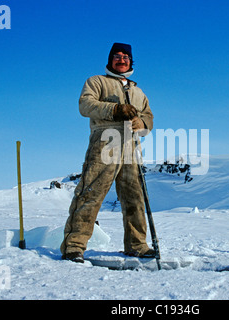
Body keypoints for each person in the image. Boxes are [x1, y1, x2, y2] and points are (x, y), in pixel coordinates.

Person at [61, 43, 155, 263]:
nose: (121, 60)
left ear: (131, 62)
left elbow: (148, 120)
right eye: (117, 56)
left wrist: (141, 122)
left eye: (126, 57)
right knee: (91, 193)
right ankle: (74, 246)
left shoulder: (138, 92)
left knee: (135, 198)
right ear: (110, 60)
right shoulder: (96, 82)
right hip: (105, 141)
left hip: (131, 146)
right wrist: (114, 109)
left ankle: (137, 245)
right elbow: (85, 105)